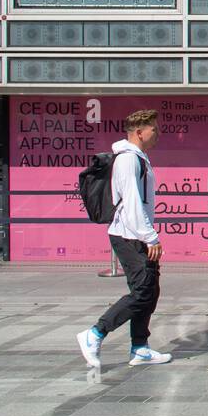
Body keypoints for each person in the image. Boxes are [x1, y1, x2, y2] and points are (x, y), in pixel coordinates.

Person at [76, 109, 172, 367]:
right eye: (154, 129)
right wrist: (150, 237)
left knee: (150, 291)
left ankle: (140, 347)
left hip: (135, 234)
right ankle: (95, 333)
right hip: (130, 236)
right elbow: (131, 202)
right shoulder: (129, 160)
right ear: (140, 132)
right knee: (142, 292)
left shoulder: (139, 158)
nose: (158, 133)